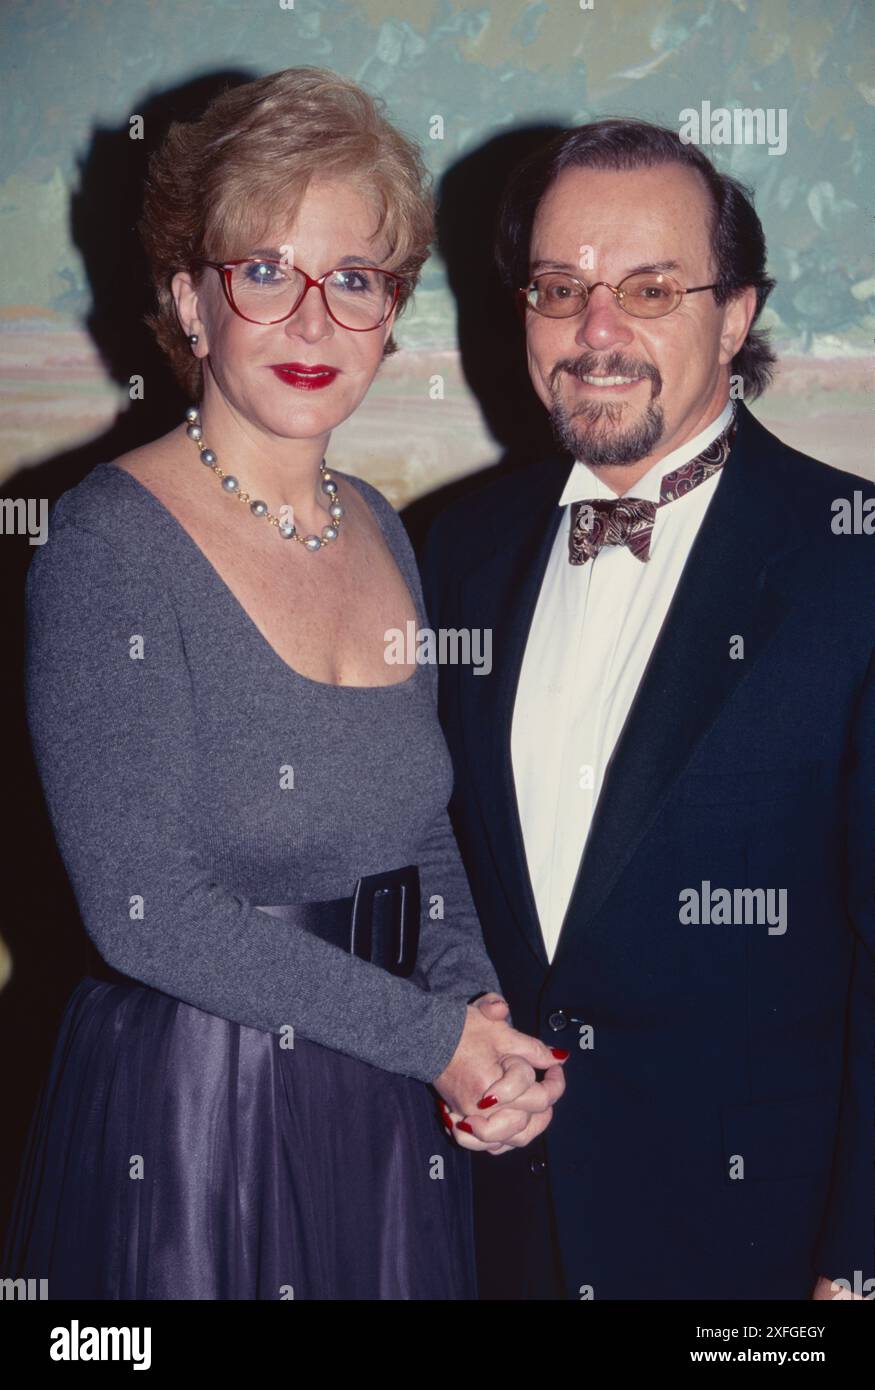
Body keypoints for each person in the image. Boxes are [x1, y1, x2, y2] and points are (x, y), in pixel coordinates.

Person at [2, 66, 568, 1301]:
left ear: (389, 313)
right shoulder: (106, 544)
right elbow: (143, 908)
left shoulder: (378, 527)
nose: (313, 323)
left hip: (380, 1094)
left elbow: (418, 829)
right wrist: (434, 1042)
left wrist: (477, 1019)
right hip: (198, 1114)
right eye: (266, 270)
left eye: (354, 280)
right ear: (189, 302)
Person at [420, 117, 875, 1300]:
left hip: (760, 1260)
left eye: (649, 287)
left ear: (734, 315)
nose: (597, 330)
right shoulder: (449, 555)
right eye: (559, 286)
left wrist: (858, 1269)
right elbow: (424, 862)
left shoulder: (856, 563)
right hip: (484, 1233)